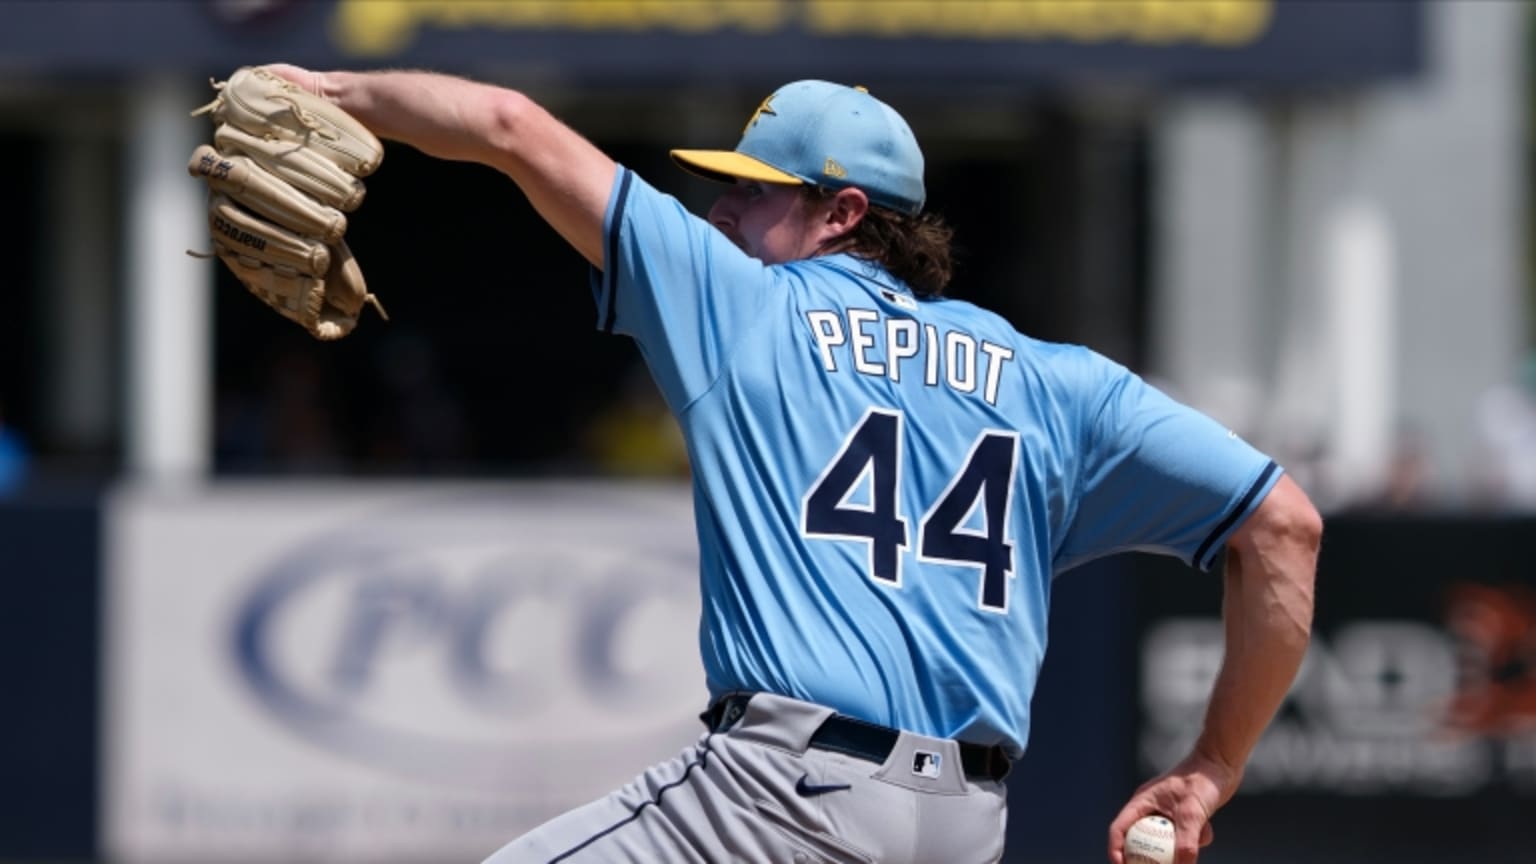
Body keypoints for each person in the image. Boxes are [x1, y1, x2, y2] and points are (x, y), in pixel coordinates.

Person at [261, 65, 1321, 864]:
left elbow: (508, 128)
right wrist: (1211, 770)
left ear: (843, 213)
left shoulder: (745, 307)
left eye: (755, 194)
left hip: (775, 803)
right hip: (964, 828)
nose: (723, 212)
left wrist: (331, 87)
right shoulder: (1060, 384)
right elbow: (1285, 525)